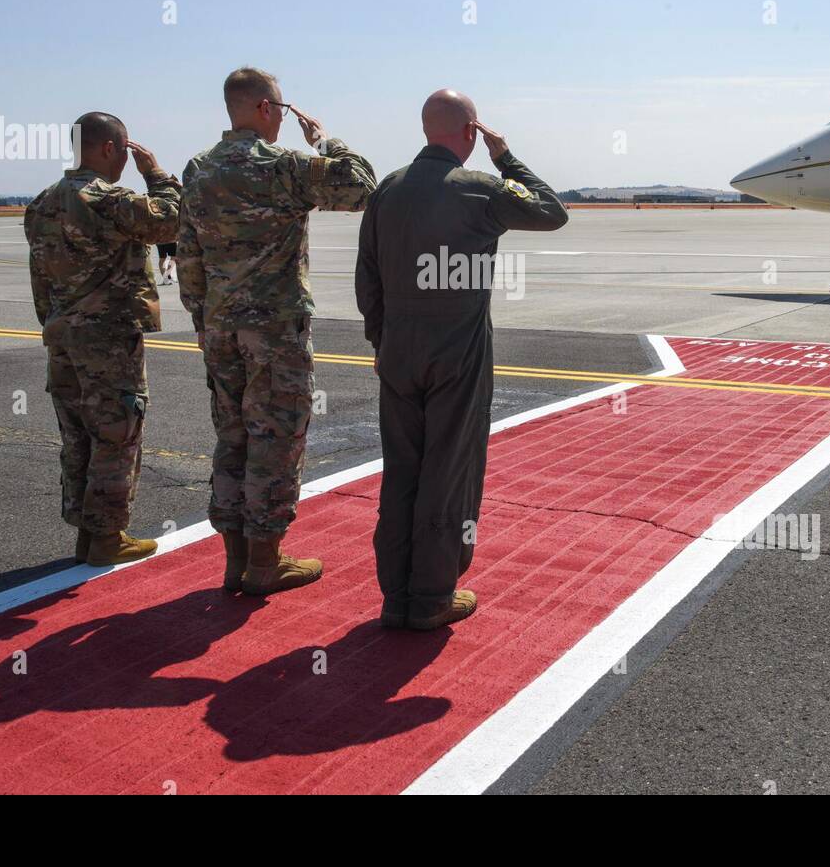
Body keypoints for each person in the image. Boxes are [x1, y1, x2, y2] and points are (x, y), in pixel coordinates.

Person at [355, 90, 569, 631]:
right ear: (470, 131)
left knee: (402, 470)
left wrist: (384, 342)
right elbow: (552, 211)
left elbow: (368, 278)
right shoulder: (479, 188)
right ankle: (430, 598)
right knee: (449, 470)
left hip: (398, 348)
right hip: (458, 348)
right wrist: (507, 158)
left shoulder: (389, 189)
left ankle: (396, 597)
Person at [177, 67, 376, 595]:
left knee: (232, 436)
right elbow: (362, 188)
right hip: (275, 330)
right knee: (277, 437)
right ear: (266, 109)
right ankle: (265, 562)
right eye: (282, 111)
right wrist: (326, 140)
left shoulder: (198, 169)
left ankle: (235, 560)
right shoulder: (283, 165)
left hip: (220, 328)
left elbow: (187, 255)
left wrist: (202, 320)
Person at [24, 112, 181, 565]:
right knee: (115, 435)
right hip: (108, 339)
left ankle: (86, 533)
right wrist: (156, 175)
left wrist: (55, 321)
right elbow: (172, 221)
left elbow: (40, 277)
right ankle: (109, 535)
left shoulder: (43, 203)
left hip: (62, 336)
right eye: (124, 152)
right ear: (110, 149)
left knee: (78, 437)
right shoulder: (106, 198)